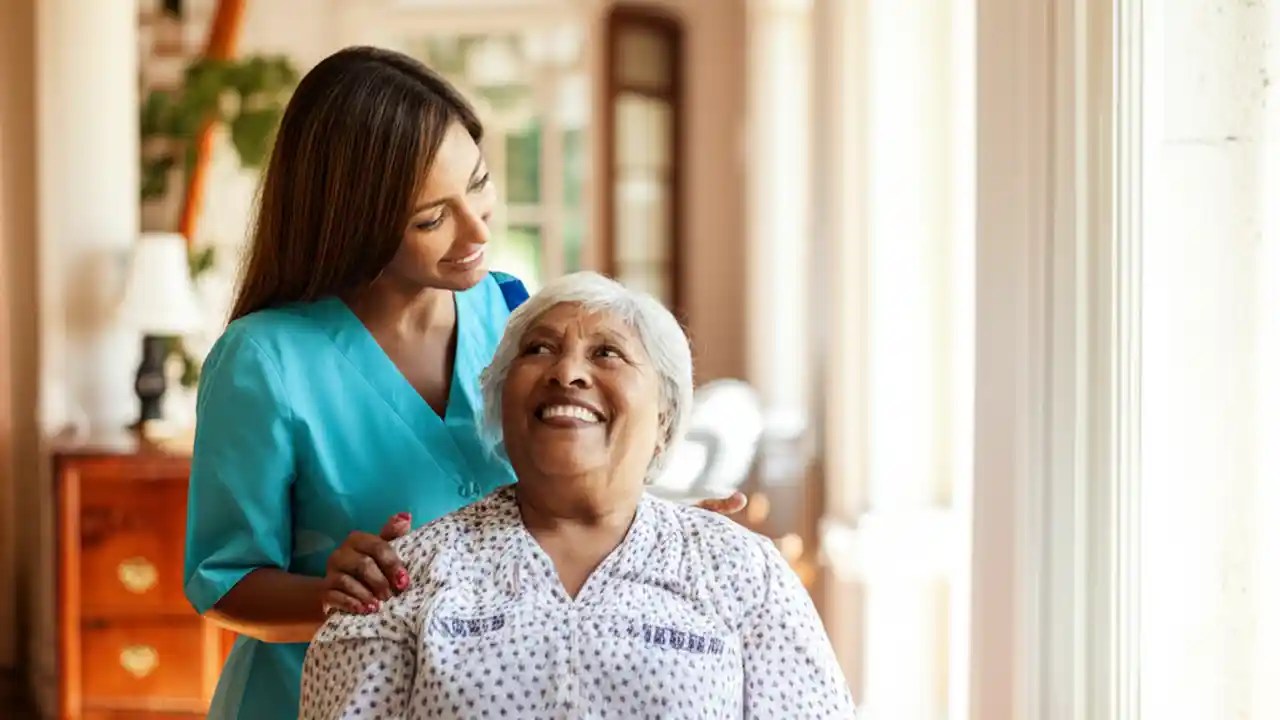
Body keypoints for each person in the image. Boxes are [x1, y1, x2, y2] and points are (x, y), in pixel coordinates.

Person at [183, 46, 743, 720]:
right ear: (353, 222)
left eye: (478, 181)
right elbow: (225, 584)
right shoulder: (264, 361)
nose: (478, 229)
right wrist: (335, 593)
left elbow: (554, 504)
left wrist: (659, 533)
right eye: (431, 218)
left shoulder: (512, 311)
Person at [299, 272, 856, 719]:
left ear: (664, 416)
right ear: (499, 404)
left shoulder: (741, 572)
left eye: (607, 354)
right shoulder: (407, 576)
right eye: (539, 350)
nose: (567, 373)